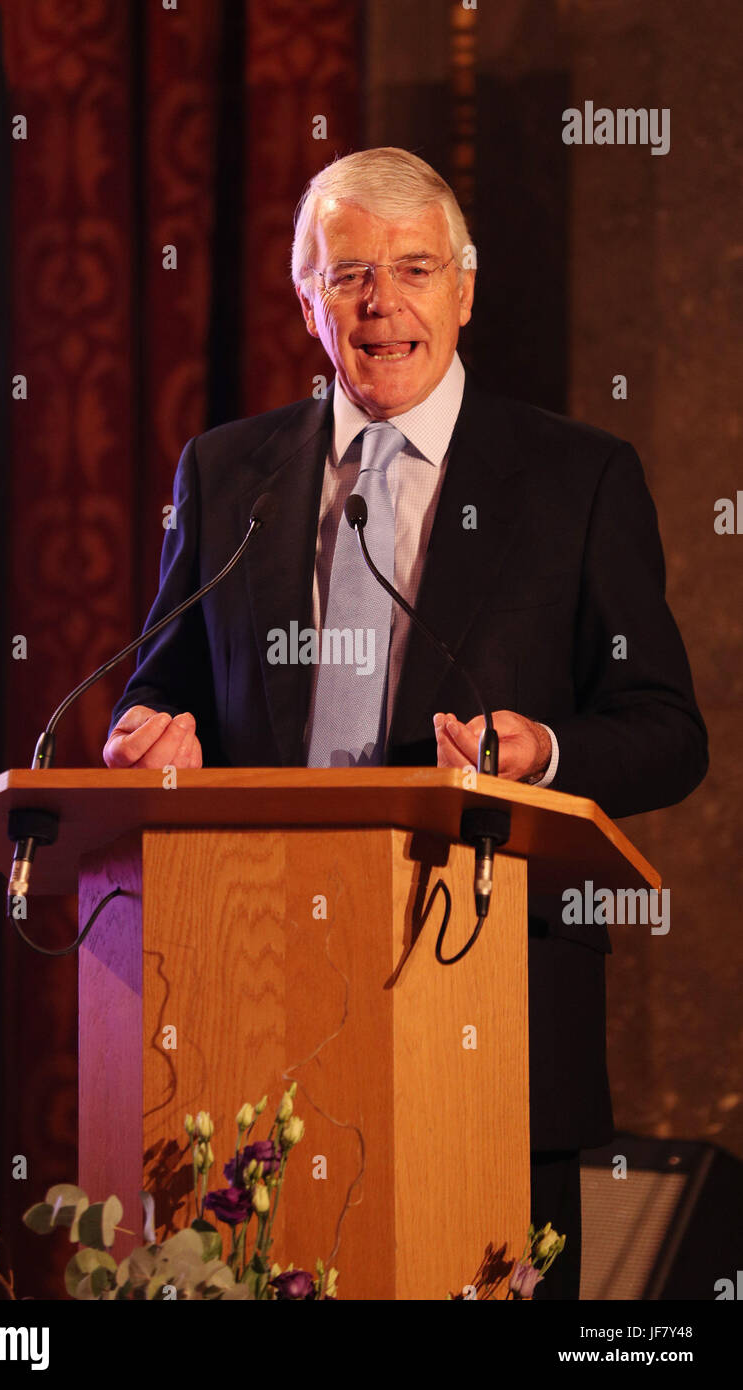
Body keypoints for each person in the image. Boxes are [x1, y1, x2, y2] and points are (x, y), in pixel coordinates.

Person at [104, 148, 708, 1298]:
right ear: (304, 299)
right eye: (349, 275)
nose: (381, 302)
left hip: (488, 1006)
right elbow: (161, 678)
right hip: (251, 1008)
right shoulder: (231, 473)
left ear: (464, 290)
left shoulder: (576, 478)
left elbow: (667, 728)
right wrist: (148, 728)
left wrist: (540, 752)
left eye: (414, 268)